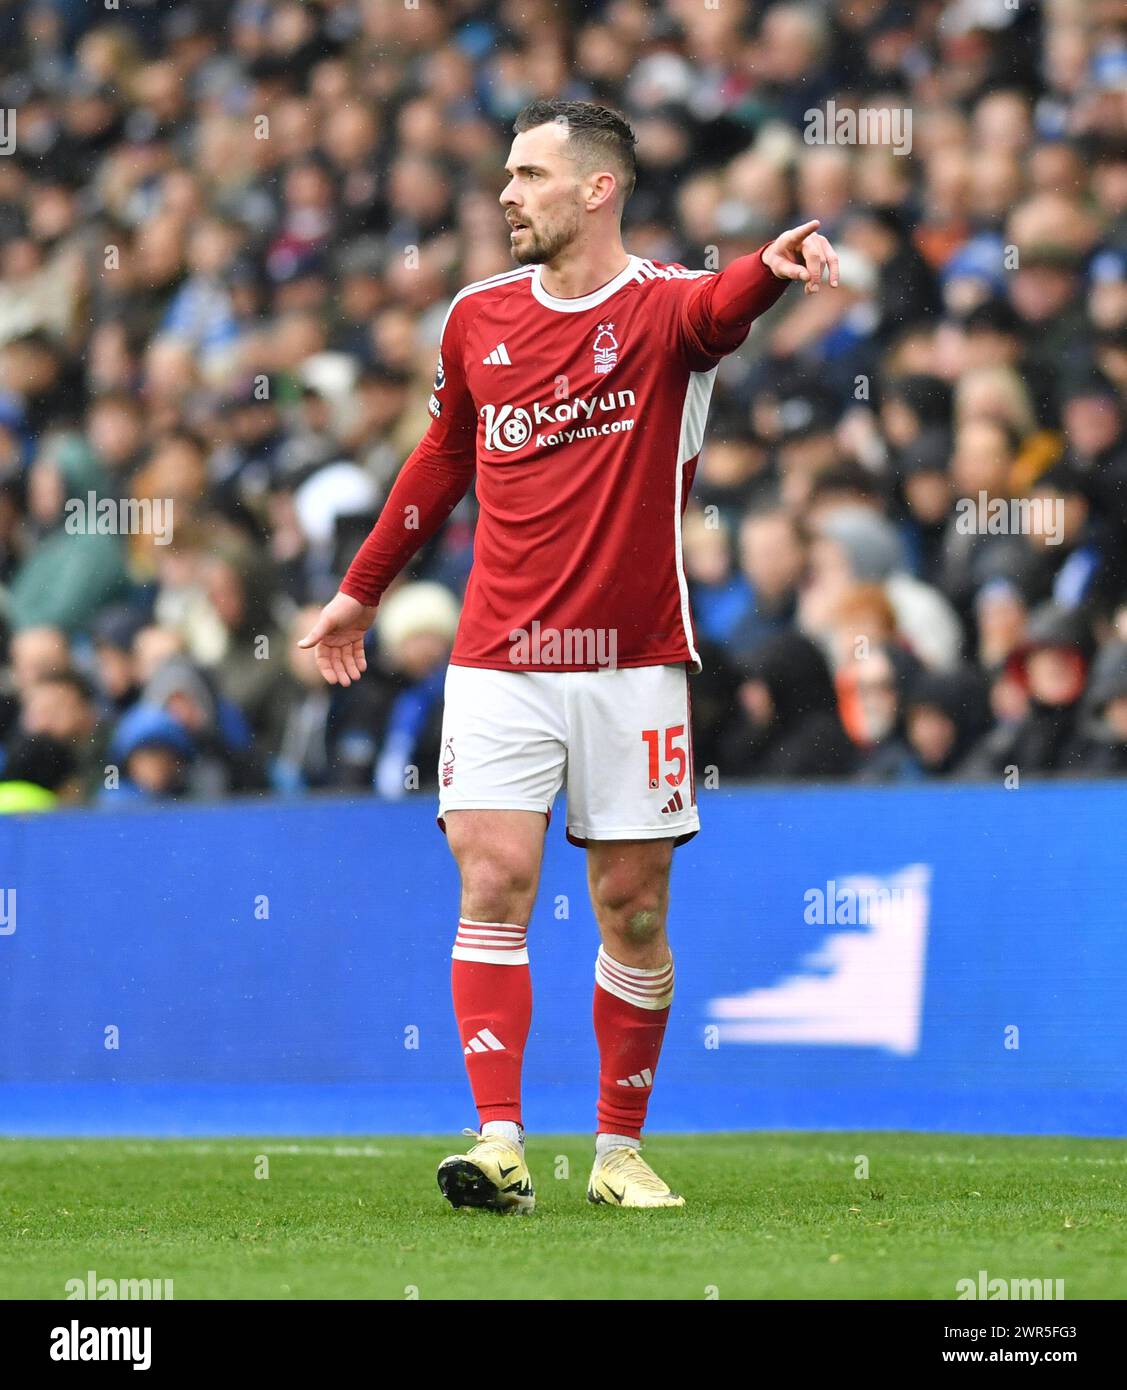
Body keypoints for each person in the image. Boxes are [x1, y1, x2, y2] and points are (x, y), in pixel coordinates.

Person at [299, 100, 839, 1212]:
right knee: (491, 878)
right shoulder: (475, 317)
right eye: (504, 173)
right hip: (497, 654)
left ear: (598, 189)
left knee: (631, 908)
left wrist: (772, 268)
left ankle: (616, 1149)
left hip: (632, 659)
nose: (505, 193)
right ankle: (498, 1140)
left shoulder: (660, 315)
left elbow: (718, 307)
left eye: (530, 174)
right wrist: (358, 594)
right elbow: (438, 461)